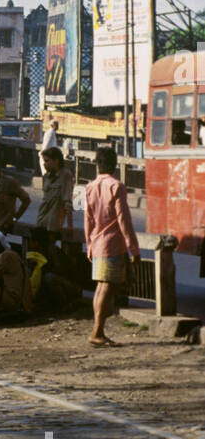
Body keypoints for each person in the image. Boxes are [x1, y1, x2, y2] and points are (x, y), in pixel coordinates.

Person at [84, 145, 140, 347]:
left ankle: (97, 330)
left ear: (97, 164)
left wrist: (89, 245)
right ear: (115, 165)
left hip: (98, 244)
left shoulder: (90, 187)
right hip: (113, 245)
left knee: (101, 287)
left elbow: (88, 221)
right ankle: (97, 331)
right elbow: (124, 220)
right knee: (107, 288)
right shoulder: (117, 186)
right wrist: (133, 248)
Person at [37, 147, 74, 234]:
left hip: (53, 224)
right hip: (41, 220)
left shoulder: (65, 175)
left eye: (47, 161)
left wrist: (70, 225)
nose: (44, 164)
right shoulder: (46, 176)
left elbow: (67, 200)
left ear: (56, 161)